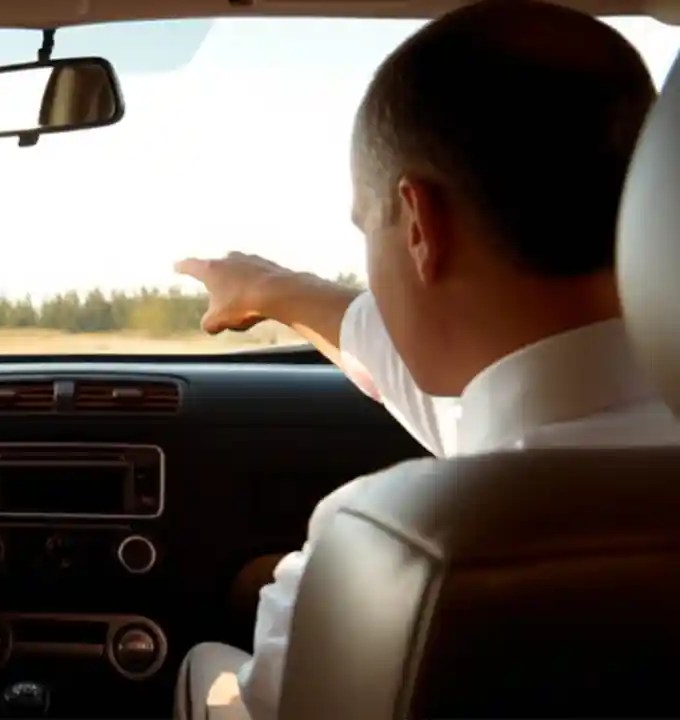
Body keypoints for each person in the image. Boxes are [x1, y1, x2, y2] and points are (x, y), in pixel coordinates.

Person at [172, 2, 680, 719]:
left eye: (367, 226)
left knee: (203, 669)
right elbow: (409, 369)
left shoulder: (378, 550)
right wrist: (273, 288)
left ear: (418, 224)